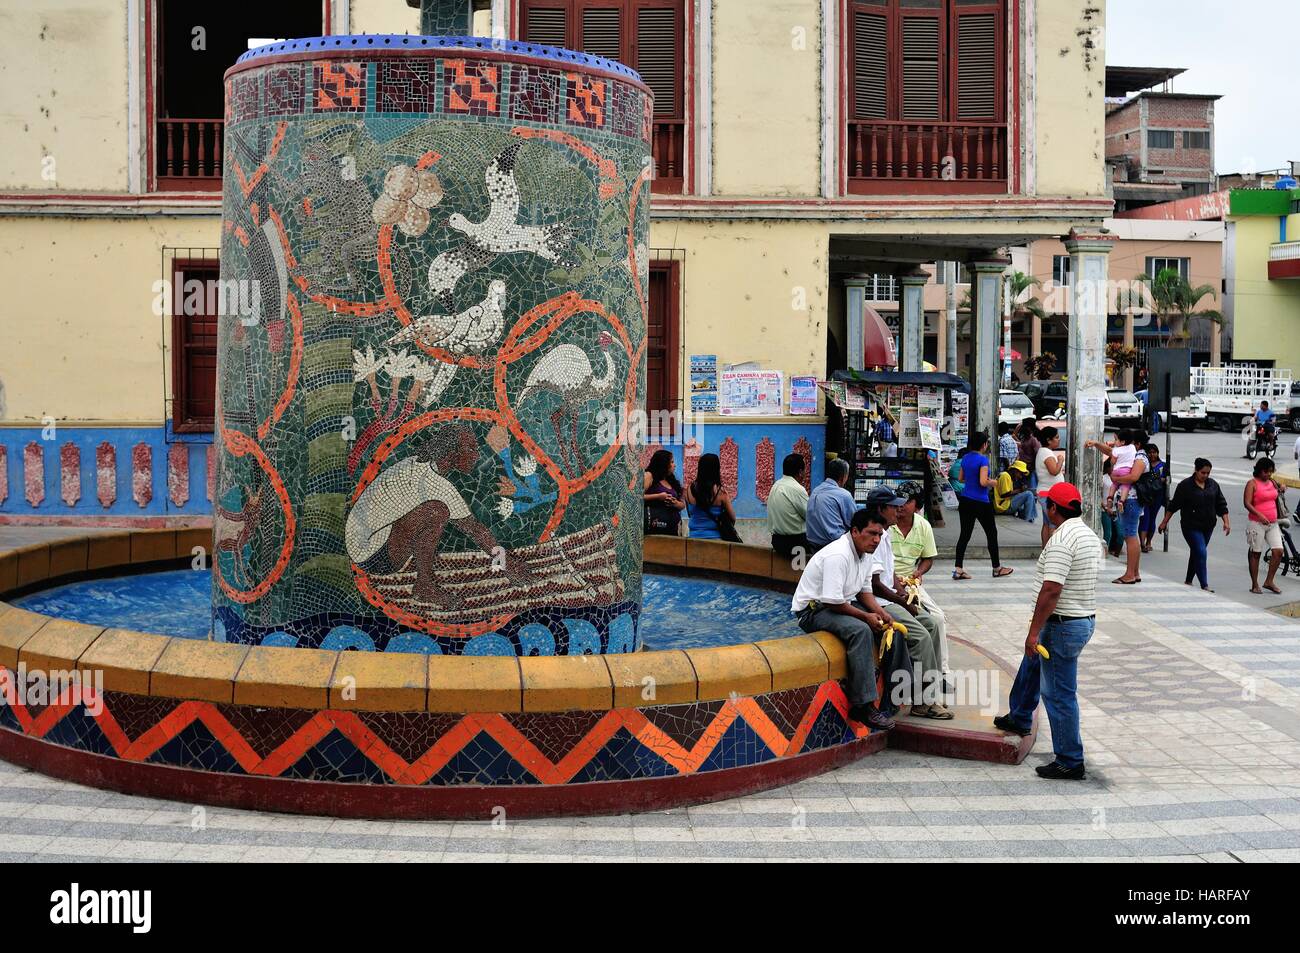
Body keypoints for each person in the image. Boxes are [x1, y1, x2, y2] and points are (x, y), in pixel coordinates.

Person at [993, 482, 1100, 780]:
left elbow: (1051, 589)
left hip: (1062, 625)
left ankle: (1070, 759)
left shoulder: (1062, 540)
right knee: (1032, 665)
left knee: (1058, 693)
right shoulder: (1087, 534)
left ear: (1053, 508)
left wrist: (1033, 631)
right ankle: (1019, 716)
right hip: (1081, 619)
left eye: (1047, 505)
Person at [791, 509, 909, 731]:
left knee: (892, 630)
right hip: (814, 610)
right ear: (855, 531)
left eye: (880, 534)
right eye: (871, 533)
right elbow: (832, 602)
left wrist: (882, 613)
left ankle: (892, 698)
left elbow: (865, 592)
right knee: (860, 631)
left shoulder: (867, 553)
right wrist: (866, 616)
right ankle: (863, 706)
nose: (876, 539)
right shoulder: (838, 554)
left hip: (839, 603)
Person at [863, 486, 950, 718]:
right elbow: (874, 584)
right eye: (893, 506)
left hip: (892, 595)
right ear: (881, 509)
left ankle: (935, 683)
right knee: (920, 637)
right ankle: (924, 702)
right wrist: (902, 603)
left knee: (931, 622)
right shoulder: (874, 536)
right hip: (879, 602)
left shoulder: (885, 533)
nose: (898, 509)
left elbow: (888, 574)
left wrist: (902, 592)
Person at [890, 480, 951, 690]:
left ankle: (942, 673)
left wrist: (919, 572)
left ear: (916, 506)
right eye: (898, 500)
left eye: (906, 502)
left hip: (911, 583)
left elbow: (928, 559)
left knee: (938, 618)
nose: (900, 506)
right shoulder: (887, 525)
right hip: (887, 583)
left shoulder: (923, 525)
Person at [1158, 457, 1230, 593]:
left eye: (1208, 473)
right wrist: (1164, 522)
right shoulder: (1185, 486)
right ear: (1196, 470)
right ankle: (1204, 585)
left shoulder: (1213, 485)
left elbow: (1221, 504)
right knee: (1201, 552)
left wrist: (1226, 521)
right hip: (1190, 526)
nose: (1206, 476)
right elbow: (1173, 506)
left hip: (1208, 526)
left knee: (1197, 552)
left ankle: (1188, 580)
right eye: (1203, 473)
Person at [952, 432, 1013, 580]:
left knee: (964, 535)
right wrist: (994, 482)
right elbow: (983, 482)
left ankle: (958, 569)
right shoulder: (983, 460)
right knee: (991, 534)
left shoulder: (965, 458)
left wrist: (974, 478)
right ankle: (997, 568)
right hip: (980, 502)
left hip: (965, 500)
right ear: (984, 444)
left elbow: (961, 478)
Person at [1090, 429, 1148, 585]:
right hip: (1129, 499)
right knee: (1131, 535)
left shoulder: (1140, 457)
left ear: (1137, 443)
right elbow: (1111, 451)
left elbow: (1133, 477)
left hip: (1131, 499)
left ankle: (1130, 574)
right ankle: (1135, 573)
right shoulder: (1132, 453)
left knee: (1130, 535)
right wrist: (1096, 443)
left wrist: (1115, 477)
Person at [1244, 456, 1285, 595]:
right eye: (1266, 472)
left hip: (1272, 523)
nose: (1268, 474)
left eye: (1270, 472)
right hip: (1256, 523)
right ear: (1259, 471)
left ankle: (1269, 581)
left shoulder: (1272, 481)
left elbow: (1276, 491)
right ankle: (1255, 584)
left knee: (1278, 551)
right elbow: (1247, 503)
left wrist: (1281, 488)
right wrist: (1260, 515)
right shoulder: (1252, 483)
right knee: (1256, 553)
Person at [805, 458, 857, 552]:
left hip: (813, 545)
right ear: (843, 477)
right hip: (834, 545)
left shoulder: (815, 491)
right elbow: (854, 522)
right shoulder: (843, 495)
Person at [685, 453, 738, 541]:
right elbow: (732, 518)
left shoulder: (689, 490)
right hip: (715, 540)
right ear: (716, 469)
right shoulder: (721, 492)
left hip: (693, 539)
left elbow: (690, 514)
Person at [767, 453, 809, 559]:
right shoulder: (797, 489)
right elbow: (810, 516)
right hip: (796, 543)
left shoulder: (775, 486)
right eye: (804, 470)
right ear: (800, 472)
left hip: (777, 541)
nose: (805, 473)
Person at [1034, 426, 1066, 546]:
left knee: (1047, 523)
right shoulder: (1046, 453)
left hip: (1047, 493)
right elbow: (1054, 471)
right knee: (1053, 523)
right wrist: (1061, 461)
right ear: (1049, 440)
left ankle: (1046, 551)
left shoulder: (1044, 452)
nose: (1059, 440)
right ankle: (1051, 551)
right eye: (1056, 437)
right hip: (1049, 494)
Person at [643, 449, 685, 536]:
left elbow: (682, 505)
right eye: (672, 462)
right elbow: (637, 497)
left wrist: (675, 503)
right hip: (654, 529)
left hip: (672, 530)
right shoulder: (649, 476)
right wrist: (658, 496)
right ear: (664, 463)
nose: (675, 465)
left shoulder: (671, 480)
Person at [1138, 443, 1166, 553]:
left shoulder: (1163, 465)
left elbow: (1167, 480)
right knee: (1145, 518)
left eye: (1154, 452)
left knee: (1152, 519)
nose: (1152, 454)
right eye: (1150, 452)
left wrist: (1159, 480)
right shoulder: (1143, 463)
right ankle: (1142, 543)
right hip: (1144, 495)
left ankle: (1149, 542)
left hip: (1157, 496)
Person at [1016, 417, 1042, 490]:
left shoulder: (1033, 439)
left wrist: (1032, 466)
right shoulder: (1024, 437)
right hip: (1023, 467)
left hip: (1030, 468)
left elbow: (1037, 453)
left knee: (1032, 488)